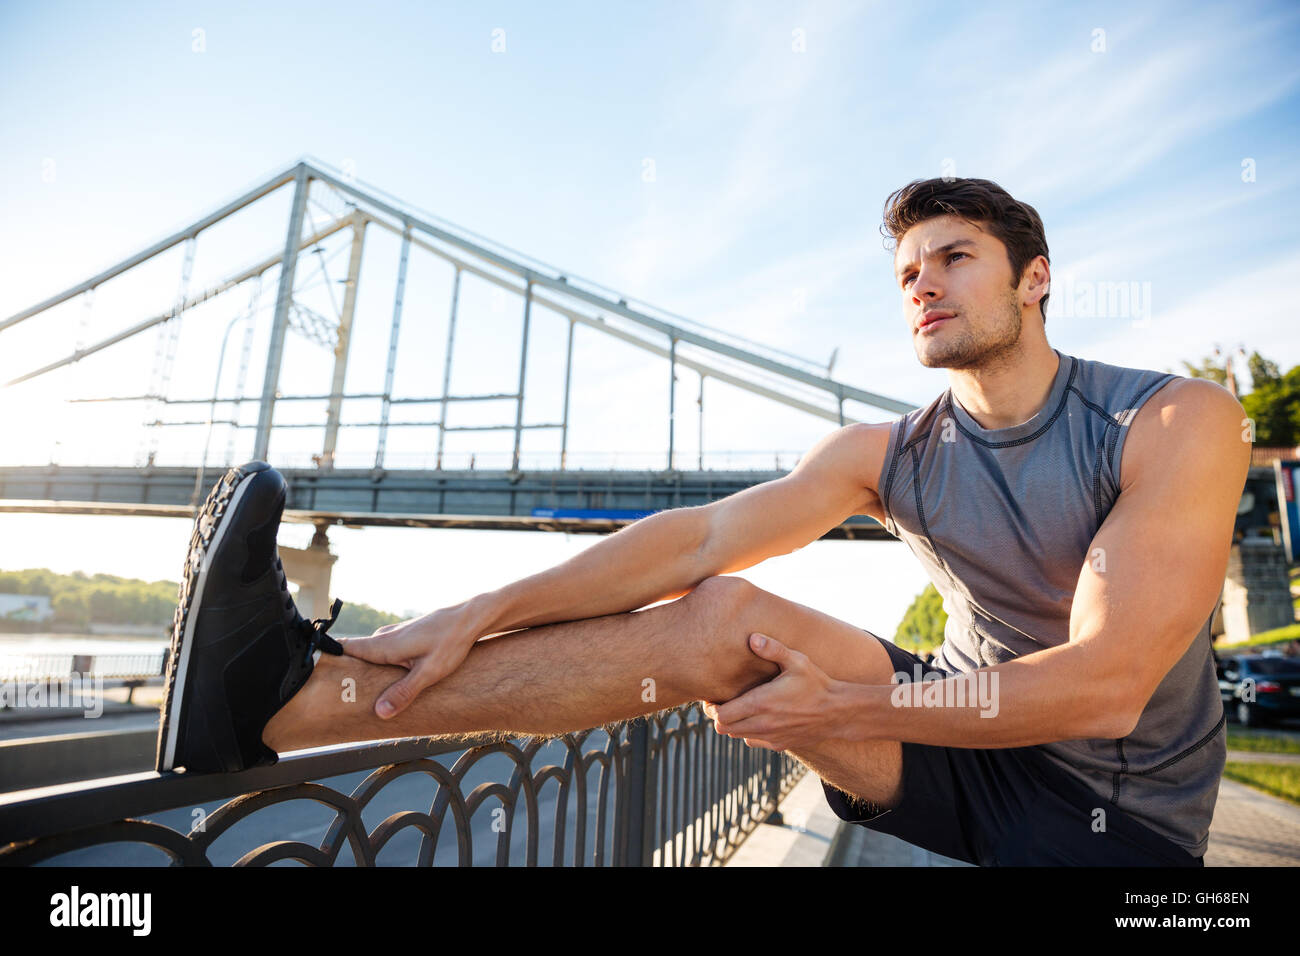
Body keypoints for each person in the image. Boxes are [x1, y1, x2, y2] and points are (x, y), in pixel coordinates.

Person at [155, 177, 1249, 866]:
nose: (922, 284)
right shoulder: (890, 452)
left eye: (954, 257)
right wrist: (479, 607)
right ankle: (288, 701)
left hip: (1112, 818)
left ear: (1037, 277)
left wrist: (851, 702)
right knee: (719, 612)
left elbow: (1107, 683)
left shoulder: (1166, 419)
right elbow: (695, 541)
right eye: (907, 271)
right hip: (945, 738)